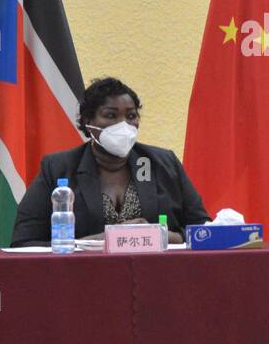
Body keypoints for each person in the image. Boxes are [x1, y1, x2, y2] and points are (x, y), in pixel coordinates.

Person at [11, 76, 210, 246]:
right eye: (110, 115)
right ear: (88, 122)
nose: (123, 124)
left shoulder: (164, 163)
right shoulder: (57, 168)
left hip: (156, 277)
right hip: (81, 279)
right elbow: (24, 241)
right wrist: (98, 241)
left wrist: (163, 236)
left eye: (131, 116)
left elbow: (203, 230)